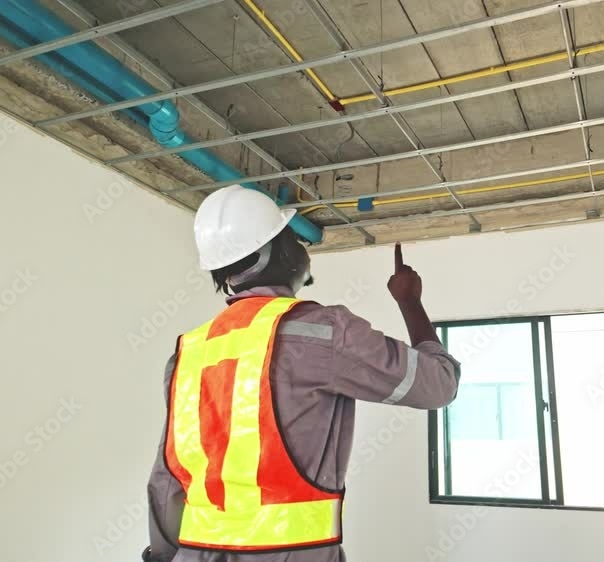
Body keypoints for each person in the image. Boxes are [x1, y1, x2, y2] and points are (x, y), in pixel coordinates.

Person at [143, 187, 460, 562]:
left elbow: (167, 479)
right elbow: (439, 385)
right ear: (272, 254)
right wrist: (409, 301)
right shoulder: (323, 332)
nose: (300, 246)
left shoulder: (189, 351)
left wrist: (163, 556)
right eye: (290, 237)